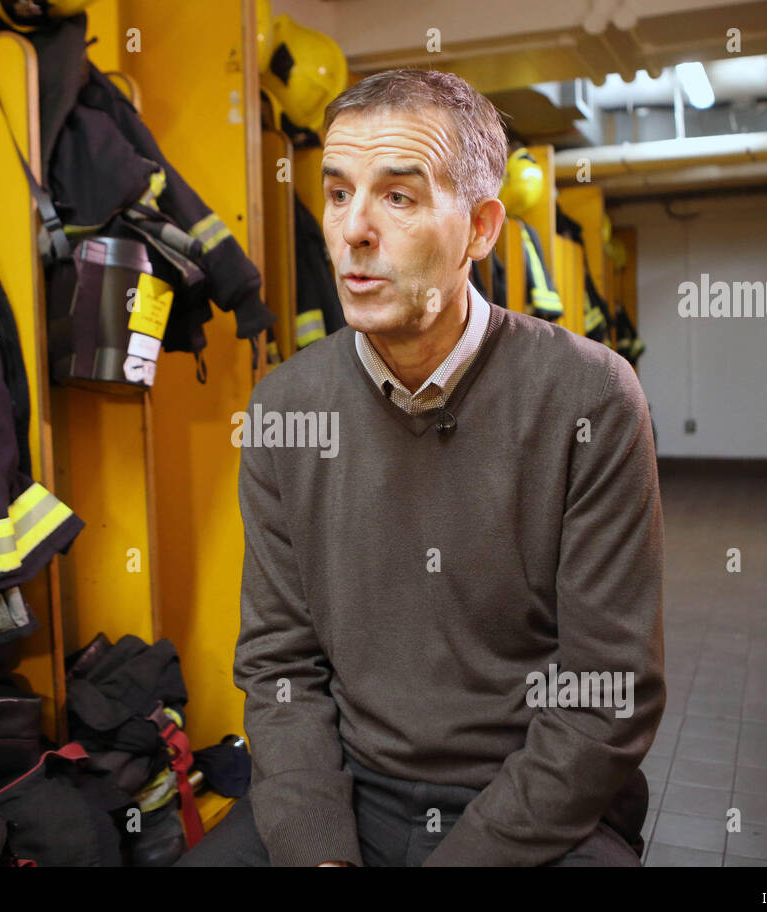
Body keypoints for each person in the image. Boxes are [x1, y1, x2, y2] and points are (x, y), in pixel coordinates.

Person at [176, 68, 663, 867]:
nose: (353, 231)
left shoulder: (590, 396)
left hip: (531, 800)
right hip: (350, 791)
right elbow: (280, 665)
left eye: (397, 197)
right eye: (337, 195)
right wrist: (317, 849)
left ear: (479, 229)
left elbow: (606, 696)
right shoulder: (283, 407)